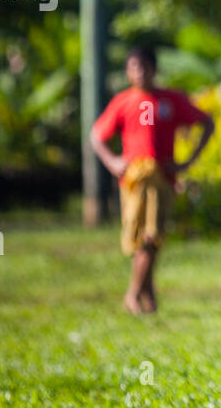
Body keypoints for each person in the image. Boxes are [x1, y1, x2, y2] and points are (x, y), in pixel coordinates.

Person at [90, 44, 214, 315]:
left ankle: (137, 294)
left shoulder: (170, 100)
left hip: (163, 180)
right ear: (127, 72)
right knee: (141, 238)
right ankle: (144, 295)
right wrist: (112, 162)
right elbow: (97, 135)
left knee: (152, 237)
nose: (140, 73)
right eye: (134, 67)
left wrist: (187, 162)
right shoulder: (123, 101)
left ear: (155, 70)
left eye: (145, 67)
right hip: (133, 182)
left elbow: (207, 122)